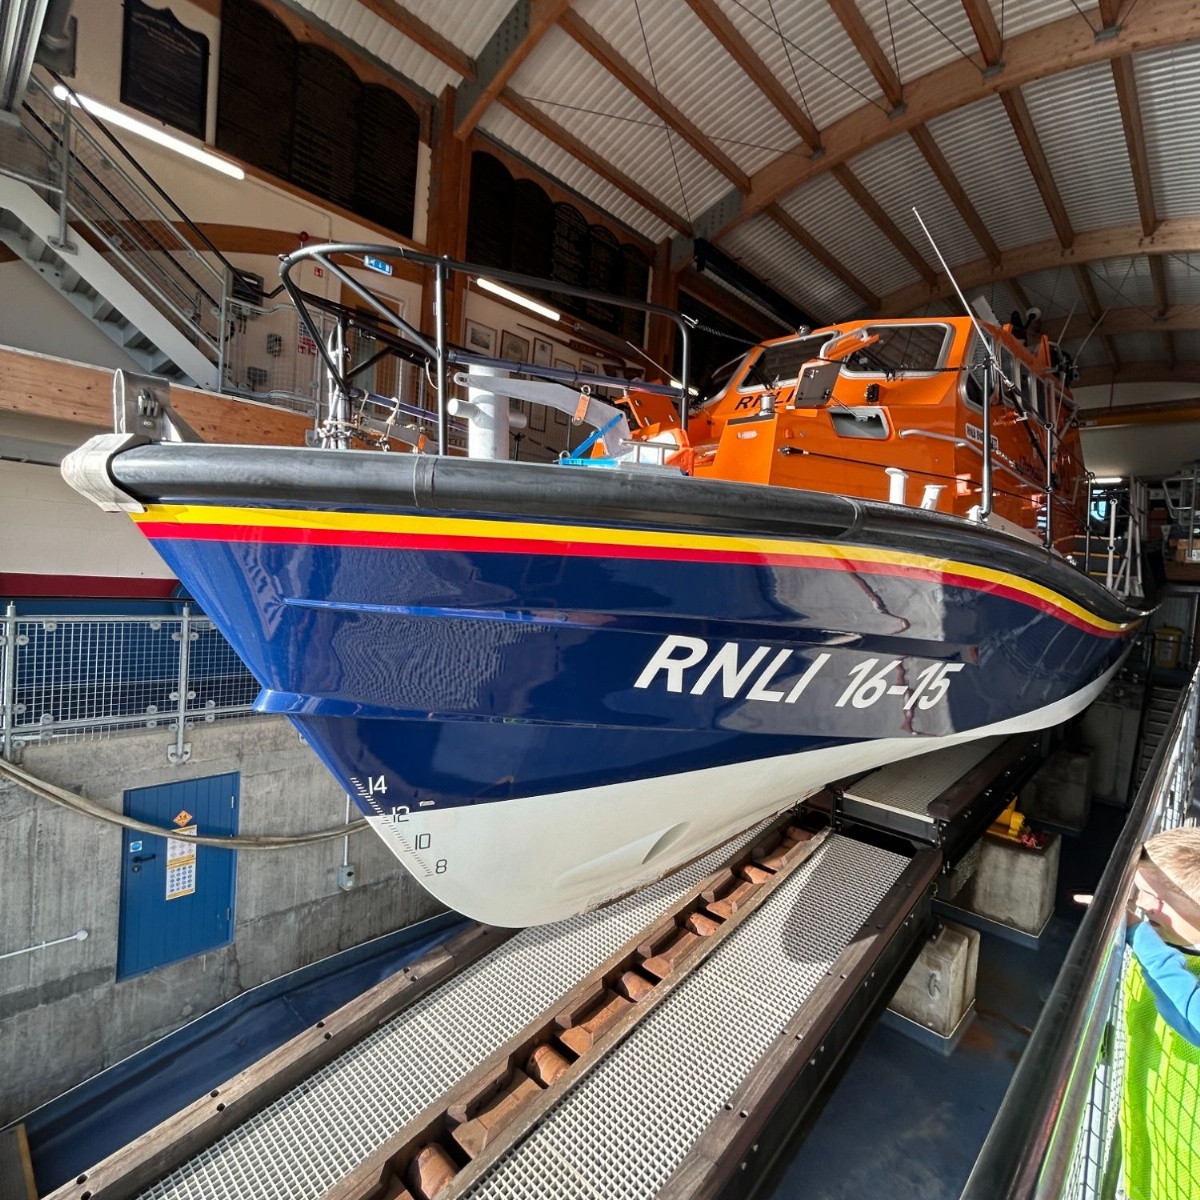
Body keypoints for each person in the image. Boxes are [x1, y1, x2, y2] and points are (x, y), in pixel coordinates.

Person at [1121, 826, 1200, 1200]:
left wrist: (1140, 937)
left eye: (1157, 897)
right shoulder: (1182, 946)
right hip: (1161, 1146)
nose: (1145, 906)